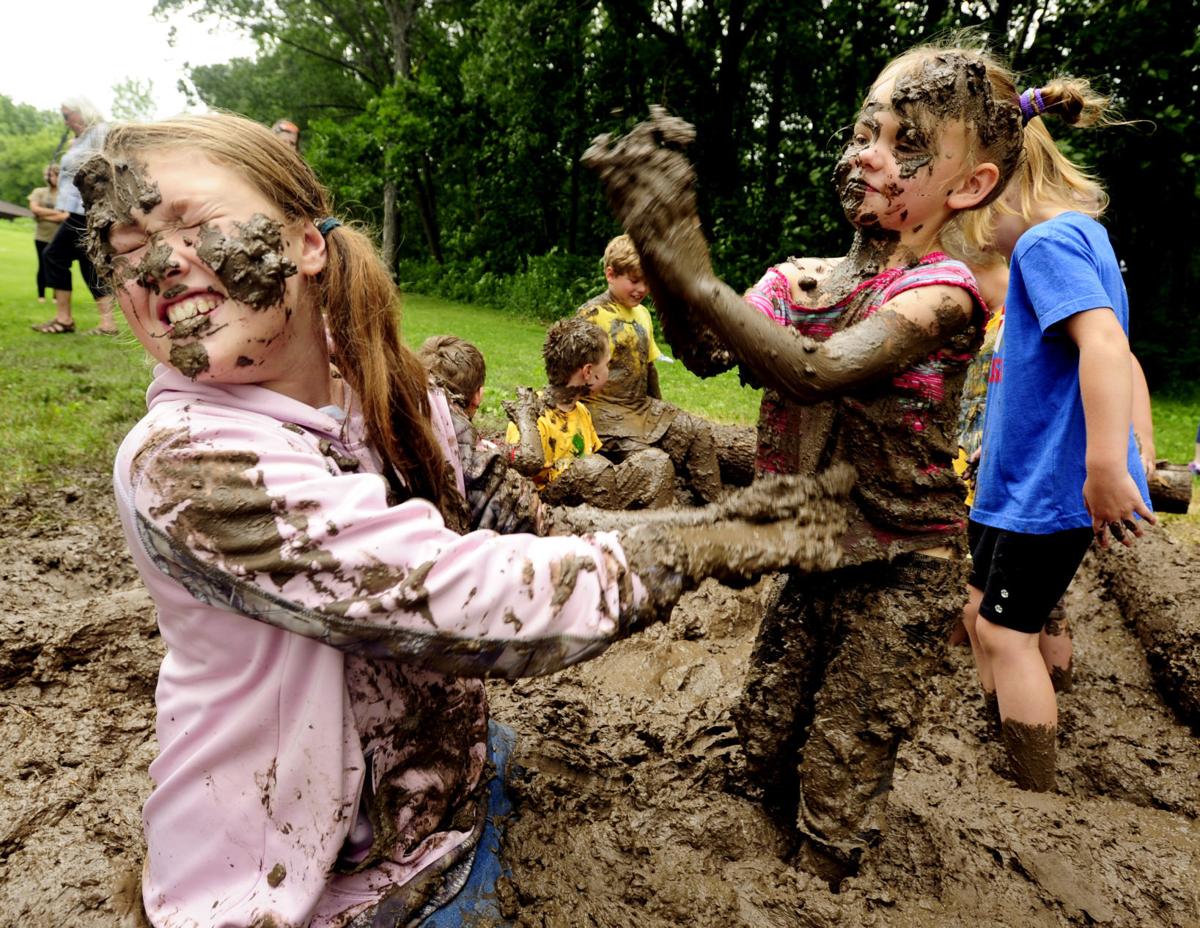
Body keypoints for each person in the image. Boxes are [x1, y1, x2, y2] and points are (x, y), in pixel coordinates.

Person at [76, 113, 850, 927]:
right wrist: (713, 539)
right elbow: (463, 600)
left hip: (423, 806)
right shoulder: (186, 464)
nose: (160, 266)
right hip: (274, 879)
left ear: (306, 243)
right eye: (124, 251)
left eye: (193, 224)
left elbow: (521, 530)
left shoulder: (388, 386)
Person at [584, 37, 1032, 883]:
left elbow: (815, 371)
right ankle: (749, 853)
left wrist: (695, 273)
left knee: (843, 758)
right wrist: (669, 262)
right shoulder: (800, 279)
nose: (871, 153)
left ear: (969, 186)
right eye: (868, 130)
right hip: (819, 549)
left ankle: (822, 881)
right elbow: (713, 353)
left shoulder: (942, 291)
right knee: (761, 738)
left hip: (904, 561)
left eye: (908, 145)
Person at [959, 79, 1155, 792]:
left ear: (999, 187)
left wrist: (1108, 463)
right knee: (993, 615)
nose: (978, 241)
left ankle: (1033, 785)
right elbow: (1063, 363)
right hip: (1018, 484)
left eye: (975, 219)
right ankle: (1019, 719)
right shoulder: (1074, 237)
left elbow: (1106, 345)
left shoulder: (1046, 241)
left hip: (1050, 491)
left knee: (1006, 633)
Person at [577, 234, 724, 503]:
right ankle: (661, 514)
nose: (642, 289)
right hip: (604, 414)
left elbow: (649, 367)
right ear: (611, 274)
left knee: (698, 431)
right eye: (634, 280)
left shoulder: (643, 314)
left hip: (640, 407)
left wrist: (661, 412)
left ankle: (716, 506)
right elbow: (572, 373)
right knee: (655, 461)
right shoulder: (591, 316)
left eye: (648, 282)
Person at [505, 316, 675, 508]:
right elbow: (518, 487)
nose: (608, 371)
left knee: (656, 462)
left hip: (590, 496)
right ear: (588, 372)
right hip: (552, 509)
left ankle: (654, 525)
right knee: (592, 468)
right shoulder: (532, 418)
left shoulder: (581, 412)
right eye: (607, 364)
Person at [33, 97, 117, 336]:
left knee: (54, 255)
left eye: (67, 115)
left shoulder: (101, 132)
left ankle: (64, 319)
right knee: (87, 262)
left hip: (86, 209)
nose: (65, 121)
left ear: (81, 112)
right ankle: (107, 324)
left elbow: (109, 166)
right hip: (78, 209)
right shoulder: (80, 139)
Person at [28, 164, 69, 302]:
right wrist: (56, 213)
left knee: (56, 265)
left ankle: (56, 296)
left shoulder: (65, 194)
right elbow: (34, 209)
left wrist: (43, 215)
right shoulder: (39, 192)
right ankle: (41, 295)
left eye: (55, 175)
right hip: (41, 236)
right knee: (42, 265)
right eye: (50, 175)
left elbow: (65, 216)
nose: (52, 178)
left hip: (58, 236)